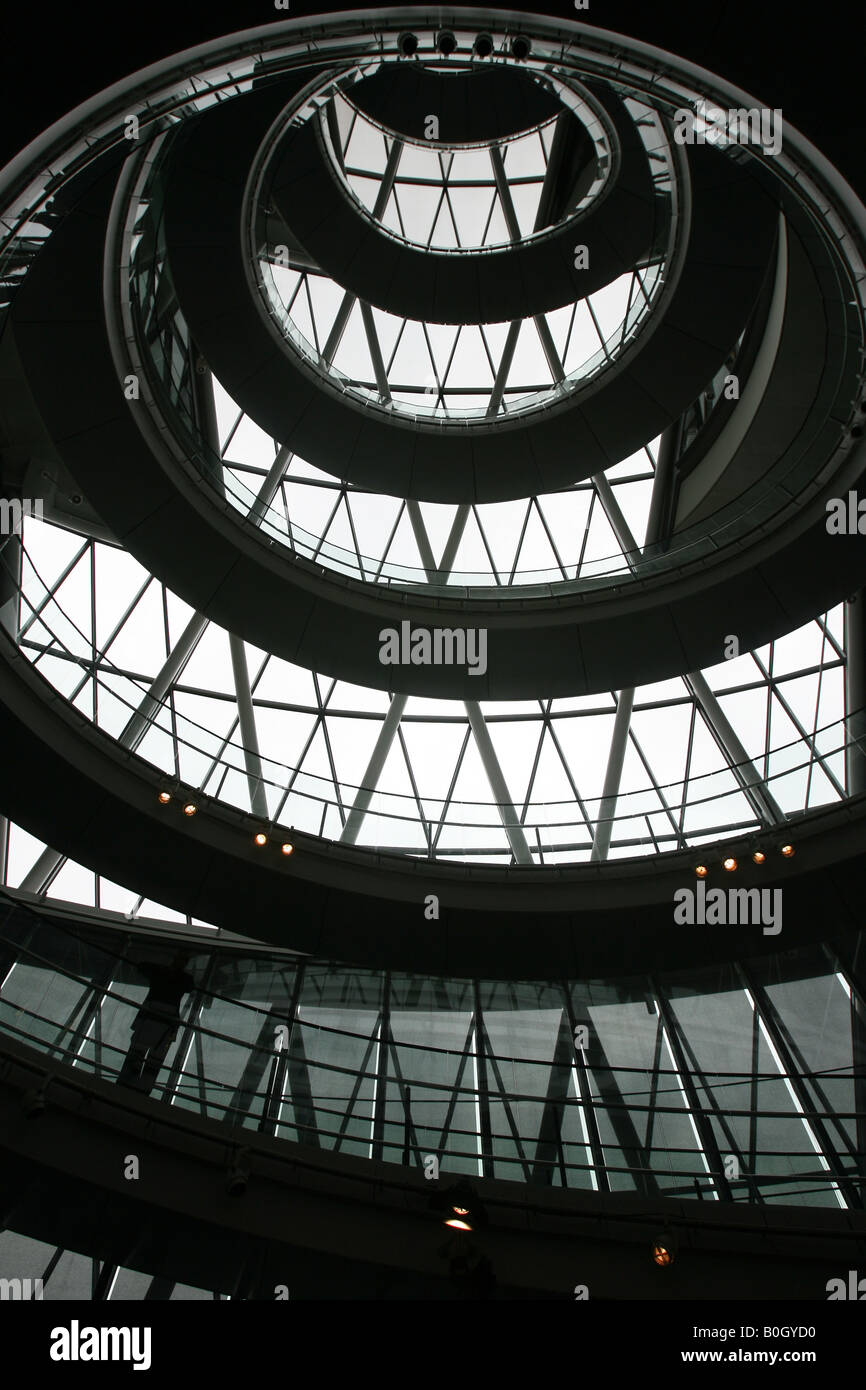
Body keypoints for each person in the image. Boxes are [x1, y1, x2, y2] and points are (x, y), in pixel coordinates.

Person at [117, 952, 195, 1095]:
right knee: (154, 1058)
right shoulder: (184, 979)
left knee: (138, 1050)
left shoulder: (160, 973)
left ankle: (126, 1083)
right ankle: (143, 1088)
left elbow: (142, 967)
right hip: (167, 1018)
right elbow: (190, 986)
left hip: (152, 1013)